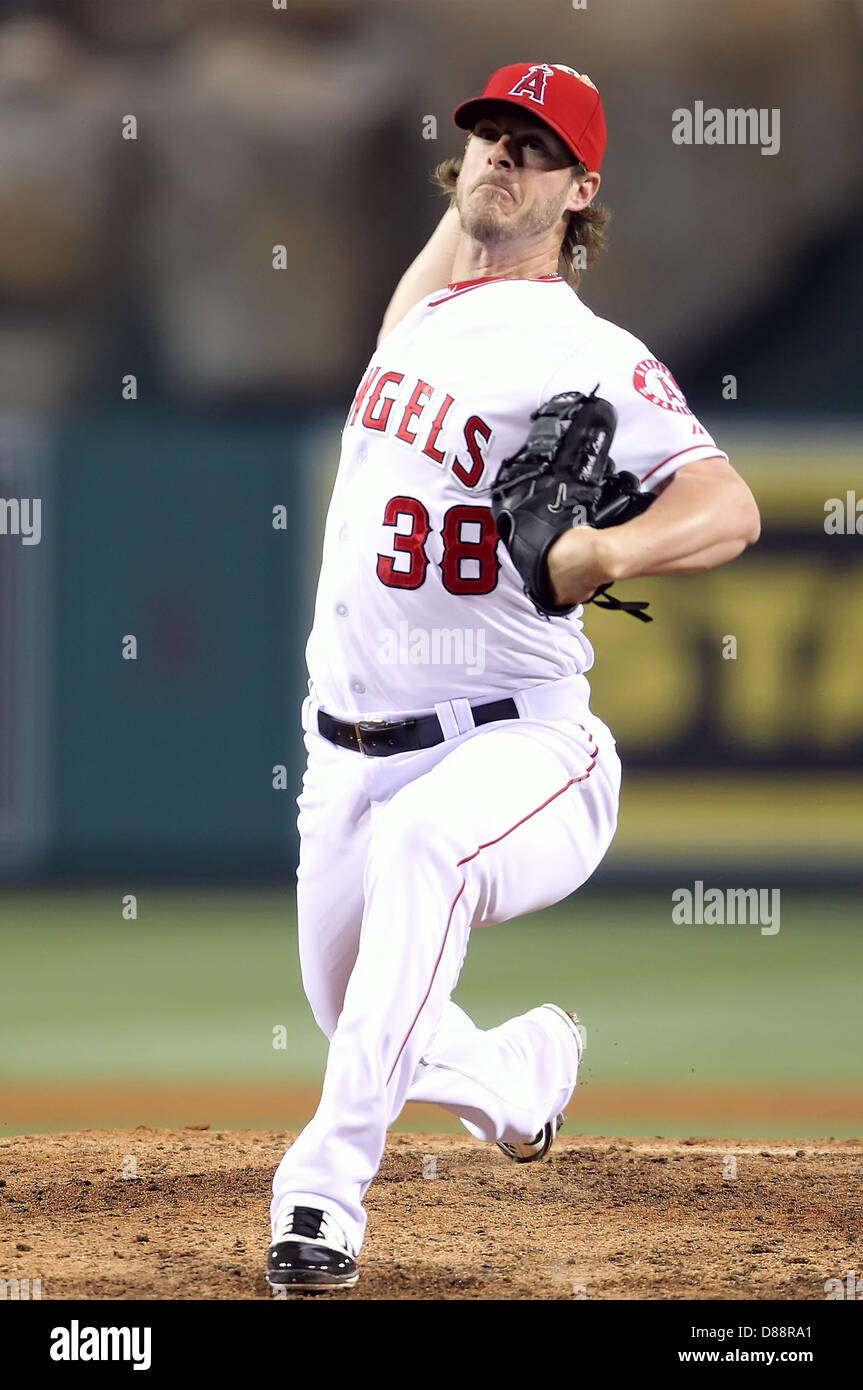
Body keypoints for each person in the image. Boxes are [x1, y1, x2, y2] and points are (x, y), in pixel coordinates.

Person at [267, 61, 760, 1292]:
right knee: (361, 1014)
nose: (501, 157)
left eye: (533, 148)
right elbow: (454, 256)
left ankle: (320, 1197)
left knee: (423, 850)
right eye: (488, 135)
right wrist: (480, 190)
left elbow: (729, 506)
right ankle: (518, 1078)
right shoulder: (425, 319)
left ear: (580, 188)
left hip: (519, 747)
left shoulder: (588, 351)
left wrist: (606, 547)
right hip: (344, 755)